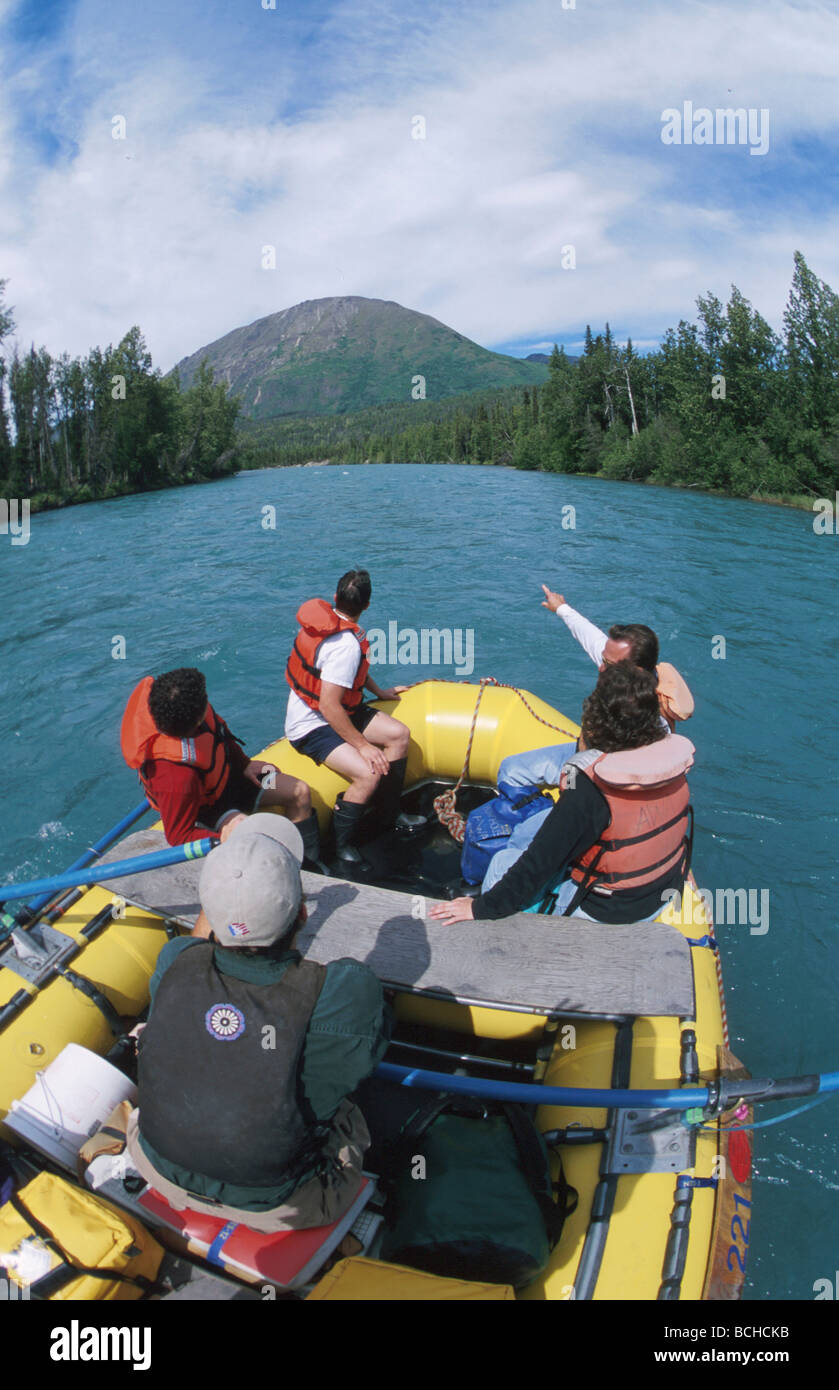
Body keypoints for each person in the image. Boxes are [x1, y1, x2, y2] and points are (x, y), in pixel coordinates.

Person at [126, 814, 390, 1231]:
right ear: (303, 914)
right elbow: (358, 1061)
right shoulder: (344, 991)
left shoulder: (174, 958)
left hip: (155, 1163)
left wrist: (230, 894)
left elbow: (197, 949)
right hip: (276, 1202)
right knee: (346, 1111)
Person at [432, 662, 695, 926]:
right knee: (535, 826)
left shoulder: (591, 791)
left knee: (503, 862)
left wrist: (480, 908)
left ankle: (500, 938)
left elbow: (537, 866)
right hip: (659, 892)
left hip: (605, 909)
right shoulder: (672, 764)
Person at [497, 584, 694, 801]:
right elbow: (591, 637)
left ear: (635, 670)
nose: (601, 667)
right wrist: (561, 608)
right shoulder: (618, 670)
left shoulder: (649, 716)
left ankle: (551, 816)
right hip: (581, 756)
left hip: (605, 777)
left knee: (569, 789)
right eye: (603, 659)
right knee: (511, 769)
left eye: (608, 663)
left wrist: (573, 786)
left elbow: (631, 769)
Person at [285, 569, 419, 862]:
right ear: (367, 605)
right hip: (311, 725)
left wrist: (379, 691)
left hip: (339, 711)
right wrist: (363, 746)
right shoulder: (343, 644)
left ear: (335, 598)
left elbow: (350, 674)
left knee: (398, 735)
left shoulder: (325, 627)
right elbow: (329, 706)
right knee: (367, 774)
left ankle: (390, 814)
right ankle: (340, 844)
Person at [121, 667, 321, 863]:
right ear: (197, 718)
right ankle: (291, 873)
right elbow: (178, 835)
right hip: (208, 810)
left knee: (299, 792)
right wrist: (222, 840)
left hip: (233, 779)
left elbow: (220, 734)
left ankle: (309, 863)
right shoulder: (174, 777)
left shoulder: (192, 712)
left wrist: (245, 764)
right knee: (253, 837)